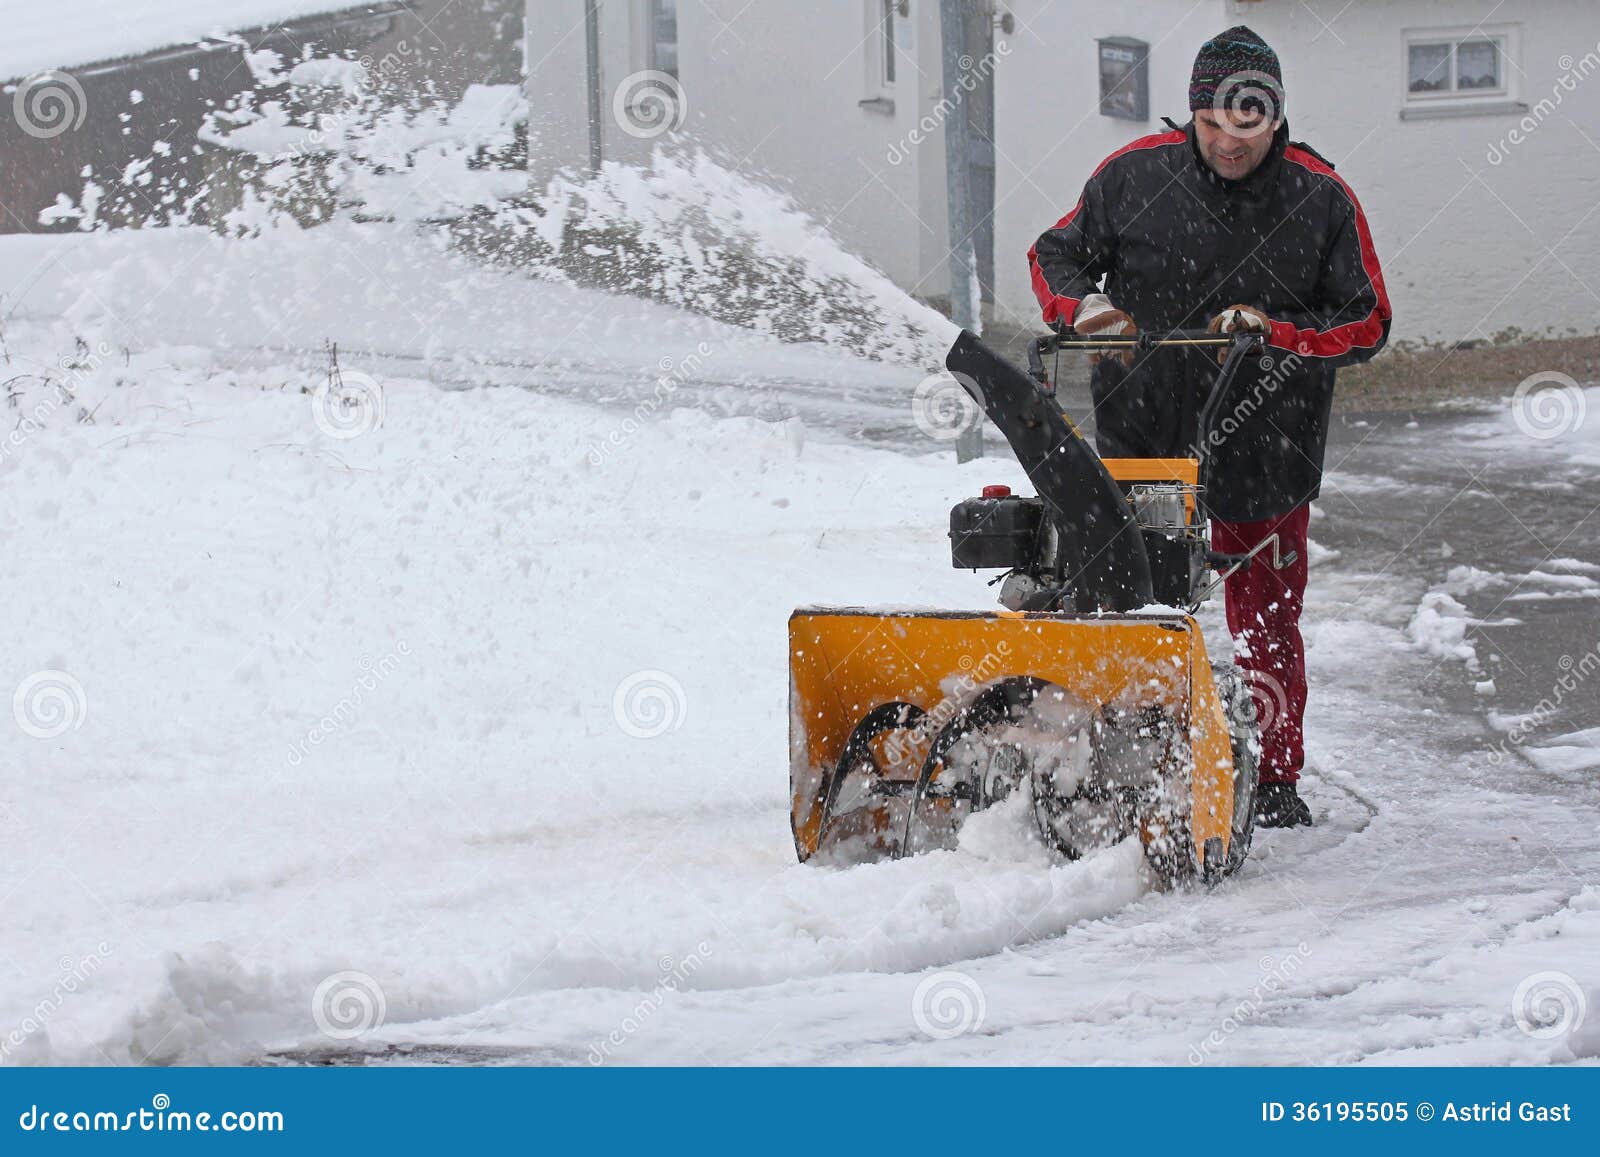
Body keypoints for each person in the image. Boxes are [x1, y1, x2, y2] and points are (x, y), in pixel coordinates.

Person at [1027, 25, 1393, 828]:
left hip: (1271, 444)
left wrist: (1283, 335)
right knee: (1132, 598)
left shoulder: (1321, 196)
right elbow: (1054, 253)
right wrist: (1082, 307)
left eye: (1248, 128)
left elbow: (1368, 319)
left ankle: (1273, 774)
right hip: (1145, 436)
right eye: (1213, 127)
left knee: (1265, 614)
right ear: (1191, 115)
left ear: (1277, 118)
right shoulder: (1130, 180)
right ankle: (1118, 748)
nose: (1229, 144)